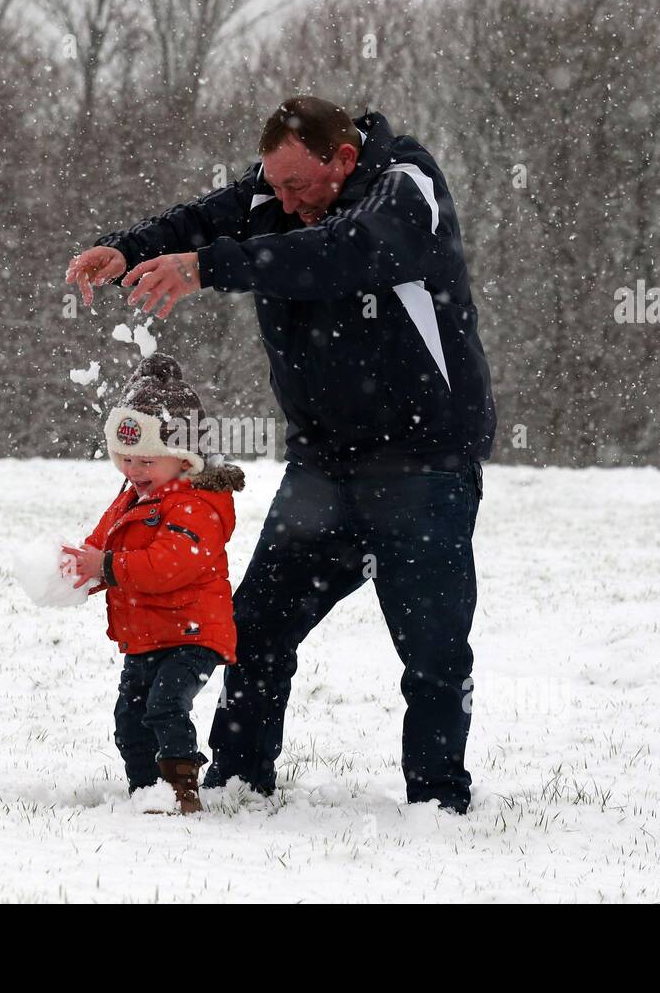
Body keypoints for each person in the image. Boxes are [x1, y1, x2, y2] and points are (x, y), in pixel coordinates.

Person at [65, 96, 495, 814]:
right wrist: (129, 250)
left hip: (424, 464)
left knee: (433, 651)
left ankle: (438, 799)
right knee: (255, 629)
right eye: (277, 186)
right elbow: (203, 219)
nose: (285, 202)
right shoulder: (275, 191)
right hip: (324, 466)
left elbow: (348, 253)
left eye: (300, 187)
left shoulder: (405, 187)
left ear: (345, 159)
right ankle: (240, 780)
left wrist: (210, 267)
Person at [64, 353, 246, 814]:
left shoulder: (196, 505)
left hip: (192, 634)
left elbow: (169, 566)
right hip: (145, 636)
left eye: (147, 459)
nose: (134, 469)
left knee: (165, 705)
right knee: (130, 719)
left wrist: (106, 567)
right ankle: (145, 791)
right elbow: (103, 541)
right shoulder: (133, 496)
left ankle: (181, 789)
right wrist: (80, 572)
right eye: (124, 458)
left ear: (184, 458)